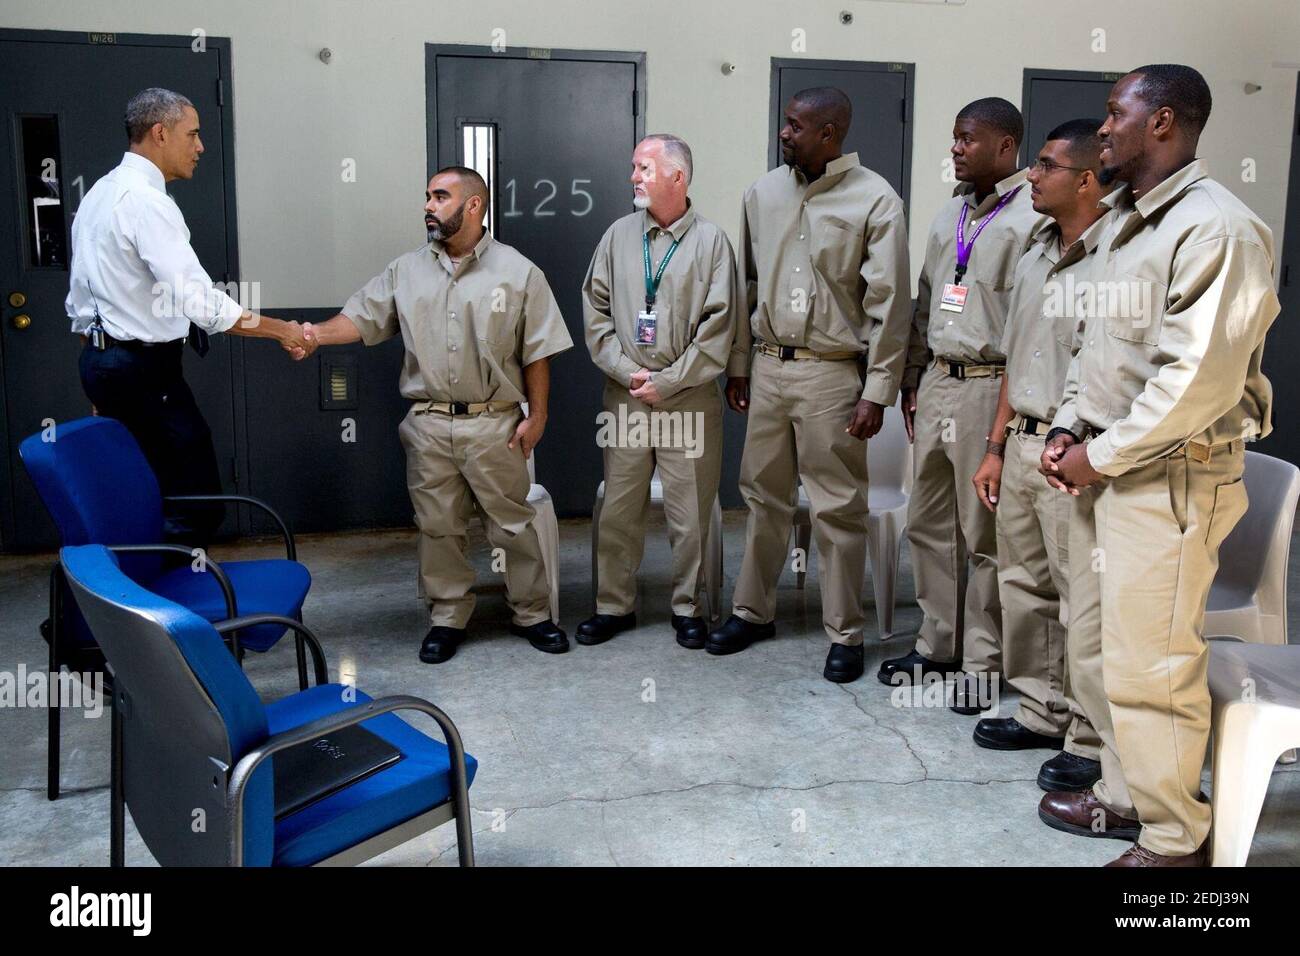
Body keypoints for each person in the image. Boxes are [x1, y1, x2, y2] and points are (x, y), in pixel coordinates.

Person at [1038, 65, 1279, 867]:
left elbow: (1194, 382)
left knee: (1154, 667)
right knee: (1098, 652)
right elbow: (1094, 348)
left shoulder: (1218, 229)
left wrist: (1096, 457)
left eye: (1116, 114)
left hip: (1167, 479)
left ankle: (1178, 840)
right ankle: (1122, 794)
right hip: (1108, 469)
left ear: (1164, 121)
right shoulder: (1126, 223)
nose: (1102, 130)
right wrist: (1070, 427)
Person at [298, 167, 572, 663]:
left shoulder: (518, 272)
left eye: (440, 196)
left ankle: (532, 612)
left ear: (473, 206)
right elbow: (360, 318)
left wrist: (540, 416)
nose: (428, 204)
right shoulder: (406, 271)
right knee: (437, 526)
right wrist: (314, 335)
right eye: (427, 195)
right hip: (428, 423)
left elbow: (538, 352)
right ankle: (448, 616)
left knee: (511, 524)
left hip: (495, 422)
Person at [711, 87, 912, 683]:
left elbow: (891, 303)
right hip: (770, 367)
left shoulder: (876, 199)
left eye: (796, 126)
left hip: (833, 372)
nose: (784, 133)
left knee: (837, 508)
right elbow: (745, 285)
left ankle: (844, 632)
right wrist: (740, 365)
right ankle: (753, 611)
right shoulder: (762, 194)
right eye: (785, 124)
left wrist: (878, 391)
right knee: (762, 497)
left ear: (830, 133)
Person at [68, 88, 310, 542]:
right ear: (160, 133)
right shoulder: (146, 202)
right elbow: (201, 303)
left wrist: (100, 376)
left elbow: (80, 303)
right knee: (192, 502)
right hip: (143, 372)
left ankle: (127, 600)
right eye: (192, 134)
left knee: (138, 488)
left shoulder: (101, 193)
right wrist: (283, 331)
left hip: (105, 365)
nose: (200, 147)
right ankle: (163, 606)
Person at [879, 98, 1049, 712]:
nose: (955, 148)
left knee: (983, 533)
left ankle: (982, 662)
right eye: (954, 137)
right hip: (939, 383)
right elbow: (926, 302)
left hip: (990, 385)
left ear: (1006, 147)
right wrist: (911, 378)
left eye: (967, 139)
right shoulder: (949, 214)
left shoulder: (1033, 214)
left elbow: (1032, 323)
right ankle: (938, 644)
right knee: (929, 522)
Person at [968, 120, 1113, 795]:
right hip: (1020, 439)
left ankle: (1089, 734)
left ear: (1085, 179)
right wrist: (995, 447)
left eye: (1047, 167)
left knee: (1081, 598)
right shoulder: (1032, 253)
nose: (1031, 176)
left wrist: (1073, 450)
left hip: (1070, 453)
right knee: (1022, 585)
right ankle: (1041, 707)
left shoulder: (1113, 257)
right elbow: (1012, 361)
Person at [579, 135, 739, 648]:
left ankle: (688, 607)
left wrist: (668, 381)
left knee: (689, 512)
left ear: (677, 176)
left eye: (643, 168)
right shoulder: (617, 237)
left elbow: (721, 328)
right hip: (626, 398)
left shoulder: (713, 243)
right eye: (634, 168)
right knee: (619, 509)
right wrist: (629, 373)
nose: (633, 177)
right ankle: (613, 606)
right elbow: (595, 313)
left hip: (688, 398)